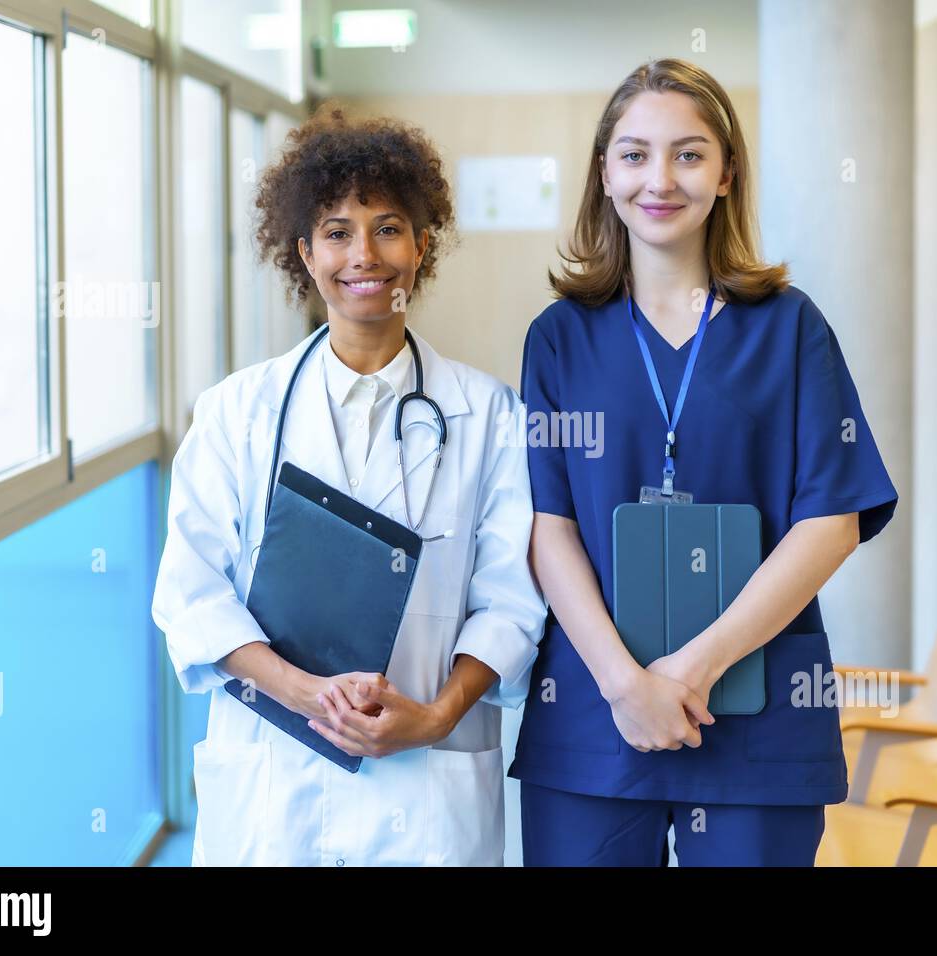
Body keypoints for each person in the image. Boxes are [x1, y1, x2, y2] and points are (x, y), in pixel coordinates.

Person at [509, 59, 898, 866]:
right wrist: (626, 684)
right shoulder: (559, 339)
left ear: (727, 175)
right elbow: (549, 528)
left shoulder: (790, 329)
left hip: (756, 713)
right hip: (595, 712)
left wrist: (692, 669)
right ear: (604, 174)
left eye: (689, 153)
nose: (661, 178)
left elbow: (832, 520)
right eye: (635, 153)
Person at [151, 103, 545, 866]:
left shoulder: (489, 413)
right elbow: (192, 596)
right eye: (336, 231)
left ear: (422, 246)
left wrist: (433, 717)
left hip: (427, 786)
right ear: (303, 252)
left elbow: (510, 601)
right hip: (276, 783)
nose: (364, 254)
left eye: (389, 227)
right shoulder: (237, 412)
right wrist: (306, 695)